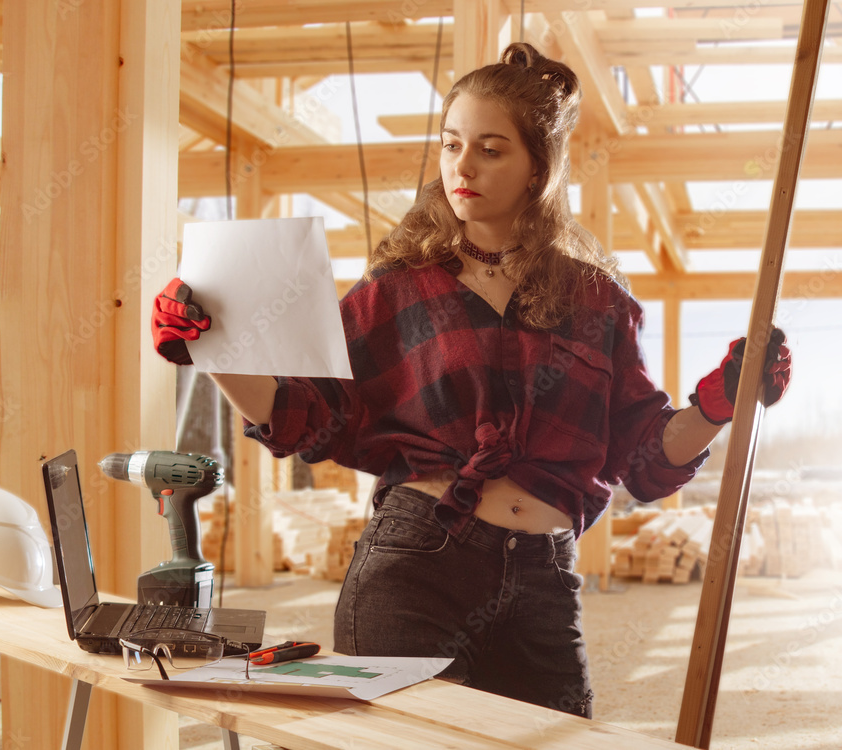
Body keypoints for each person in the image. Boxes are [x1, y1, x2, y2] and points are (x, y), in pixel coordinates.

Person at [150, 43, 791, 719]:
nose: (463, 166)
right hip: (416, 562)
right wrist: (211, 349)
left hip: (545, 579)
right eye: (452, 144)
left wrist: (720, 401)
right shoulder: (398, 290)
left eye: (490, 149)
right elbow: (307, 416)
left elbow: (645, 458)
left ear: (539, 167)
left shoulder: (598, 301)